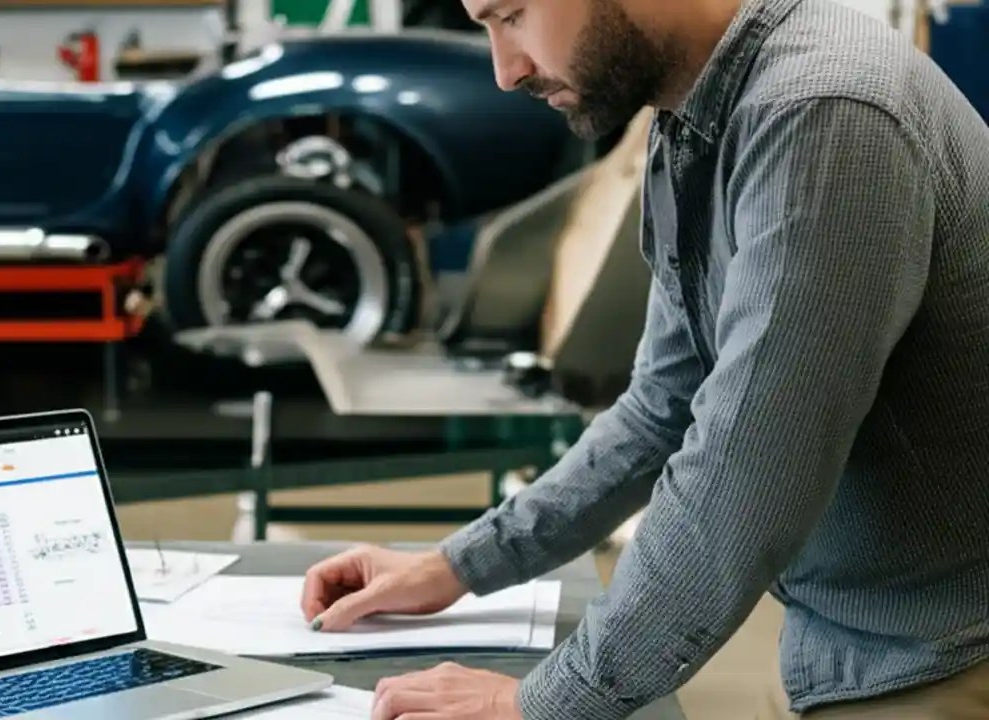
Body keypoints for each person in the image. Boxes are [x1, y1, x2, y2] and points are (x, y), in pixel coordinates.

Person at [297, 0, 989, 718]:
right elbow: (663, 404)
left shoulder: (823, 114)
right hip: (849, 640)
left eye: (512, 15)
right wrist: (457, 565)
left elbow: (744, 471)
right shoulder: (699, 109)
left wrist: (539, 705)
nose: (507, 71)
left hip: (939, 662)